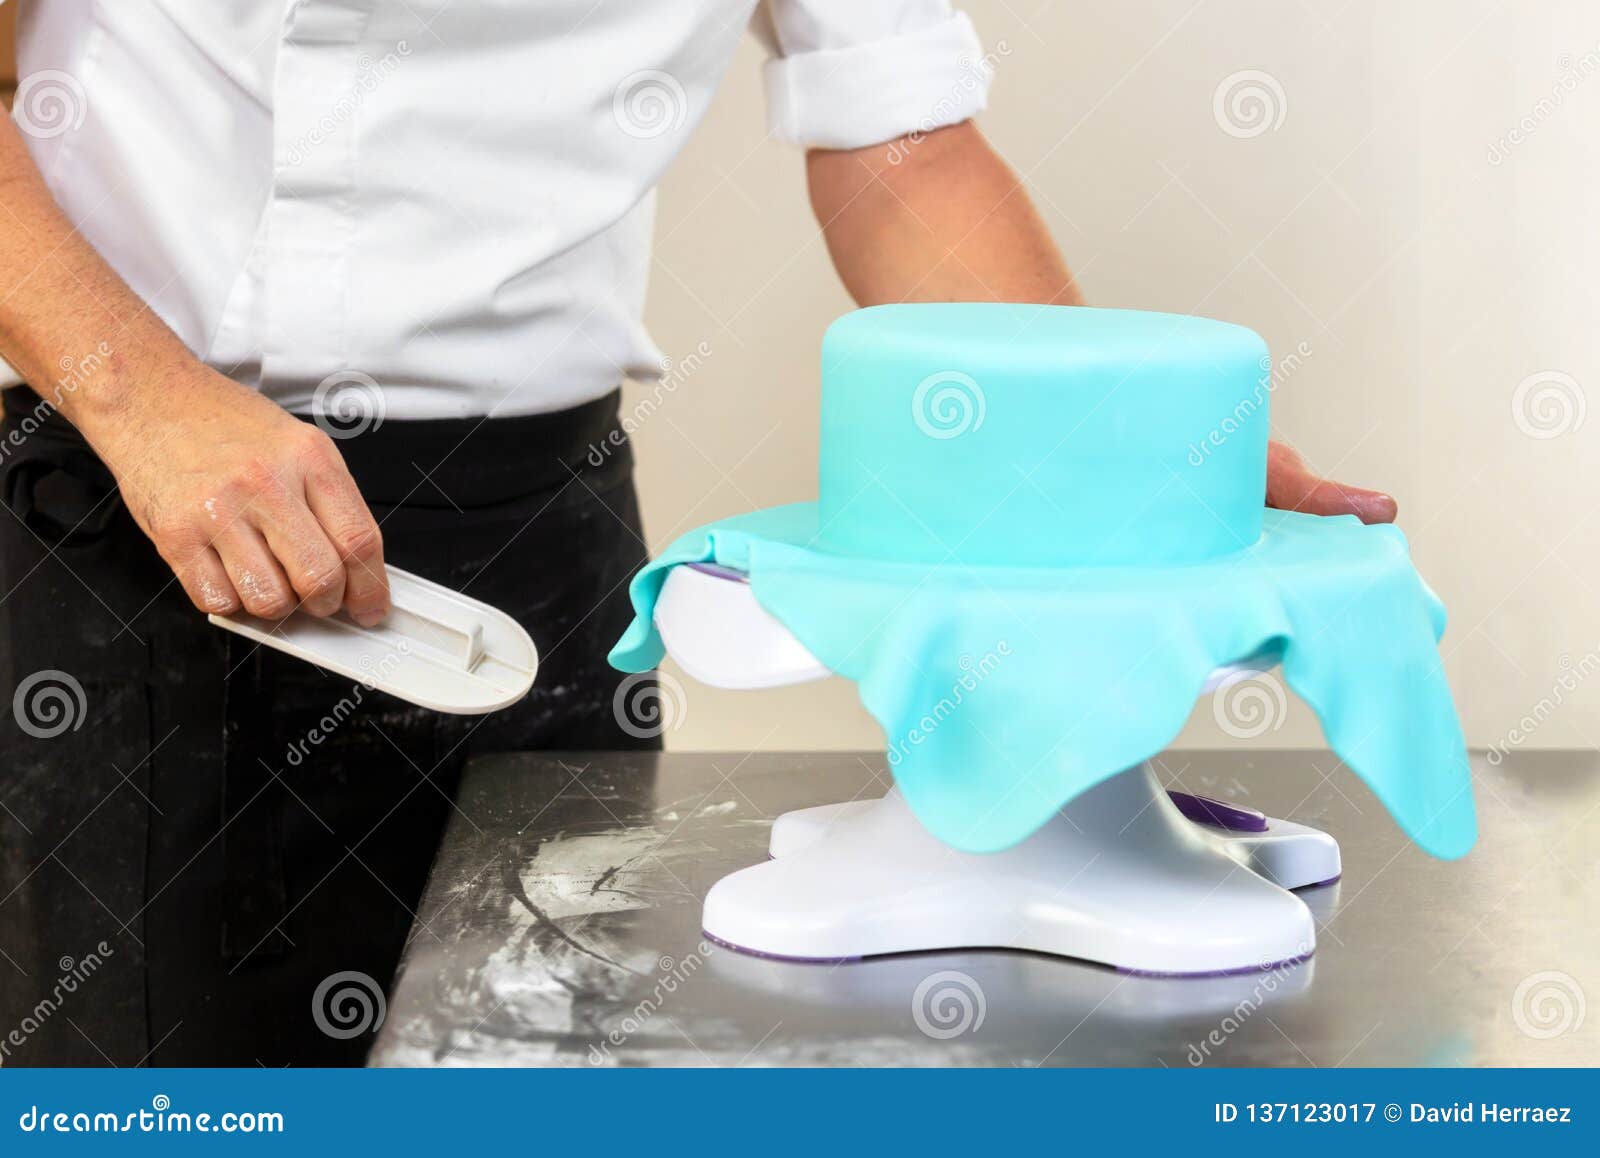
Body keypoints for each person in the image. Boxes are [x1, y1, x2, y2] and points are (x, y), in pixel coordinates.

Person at [0, 1, 1395, 1066]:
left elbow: (902, 146)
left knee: (538, 1068)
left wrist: (1110, 436)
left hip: (537, 544)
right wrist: (143, 399)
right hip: (132, 511)